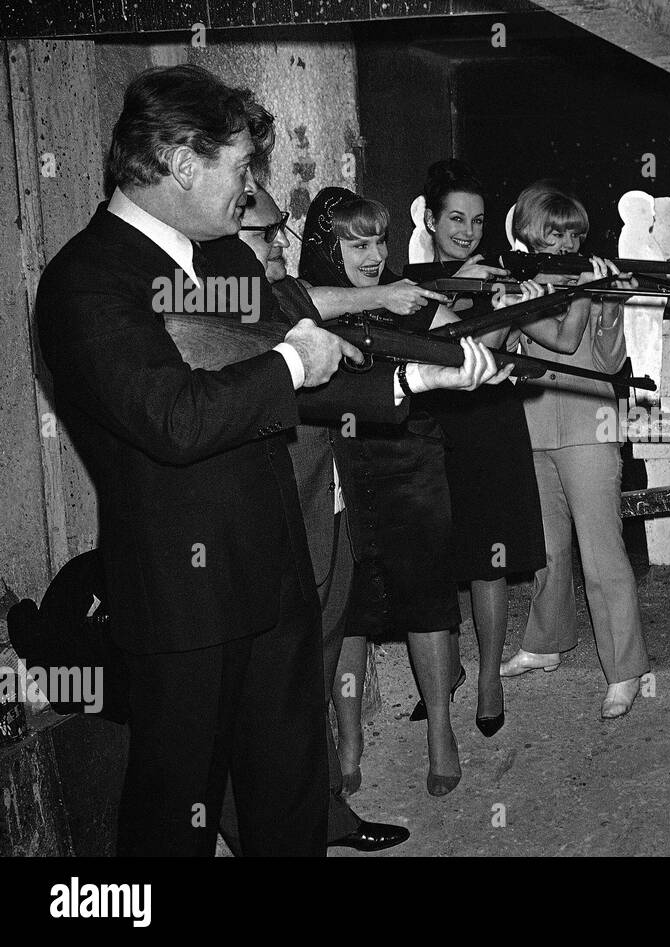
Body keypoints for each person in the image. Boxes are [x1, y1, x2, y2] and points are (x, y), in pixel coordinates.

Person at [34, 65, 362, 856]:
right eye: (242, 165)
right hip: (180, 603)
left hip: (274, 575)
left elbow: (293, 369)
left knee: (290, 805)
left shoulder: (222, 263)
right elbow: (176, 418)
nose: (252, 188)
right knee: (170, 818)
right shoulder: (85, 282)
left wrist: (422, 373)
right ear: (184, 163)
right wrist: (289, 361)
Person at [209, 184, 501, 849]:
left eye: (280, 230)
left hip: (337, 496)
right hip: (296, 506)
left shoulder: (278, 289)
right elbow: (303, 316)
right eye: (262, 234)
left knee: (328, 654)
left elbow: (314, 298)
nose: (275, 243)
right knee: (289, 683)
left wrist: (414, 314)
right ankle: (286, 818)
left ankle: (327, 813)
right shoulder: (225, 304)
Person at [299, 186, 509, 797]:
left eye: (379, 241)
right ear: (324, 246)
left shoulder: (402, 293)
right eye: (355, 243)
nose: (371, 254)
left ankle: (440, 732)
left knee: (427, 602)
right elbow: (290, 312)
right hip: (341, 471)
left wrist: (508, 309)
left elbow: (468, 341)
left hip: (413, 462)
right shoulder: (305, 295)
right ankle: (349, 741)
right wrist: (379, 296)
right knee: (351, 615)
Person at [403, 159, 548, 738]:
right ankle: (449, 671)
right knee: (437, 555)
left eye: (478, 220)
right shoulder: (406, 284)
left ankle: (490, 676)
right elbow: (448, 353)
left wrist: (522, 303)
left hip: (488, 423)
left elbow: (502, 353)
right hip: (432, 423)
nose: (466, 229)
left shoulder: (497, 275)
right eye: (455, 217)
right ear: (430, 219)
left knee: (490, 558)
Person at [498, 180, 651, 720]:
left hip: (591, 425)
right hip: (532, 428)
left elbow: (608, 362)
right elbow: (559, 341)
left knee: (603, 554)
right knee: (546, 550)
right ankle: (546, 643)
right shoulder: (512, 286)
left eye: (573, 234)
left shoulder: (587, 281)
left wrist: (610, 300)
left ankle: (626, 670)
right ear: (528, 236)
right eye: (552, 234)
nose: (564, 245)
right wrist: (586, 292)